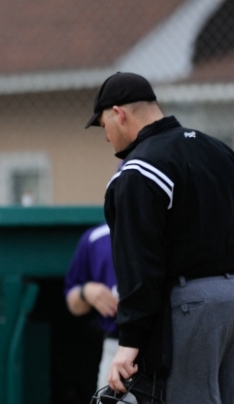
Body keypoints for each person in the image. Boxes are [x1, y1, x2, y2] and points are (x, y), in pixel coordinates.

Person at [87, 71, 234, 403]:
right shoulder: (219, 152)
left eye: (102, 125)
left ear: (118, 113)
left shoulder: (139, 170)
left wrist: (129, 342)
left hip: (192, 306)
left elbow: (139, 264)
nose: (107, 137)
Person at [64, 222, 135, 401]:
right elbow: (72, 300)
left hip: (161, 344)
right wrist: (86, 291)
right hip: (116, 343)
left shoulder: (163, 228)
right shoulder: (96, 237)